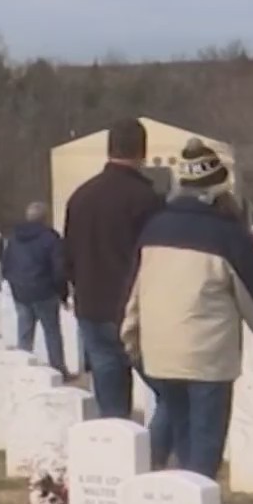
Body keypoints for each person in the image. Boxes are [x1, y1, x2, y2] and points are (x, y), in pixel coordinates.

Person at [121, 143, 253, 478]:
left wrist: (131, 338)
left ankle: (175, 503)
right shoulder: (227, 236)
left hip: (160, 352)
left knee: (181, 432)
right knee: (205, 445)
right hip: (207, 355)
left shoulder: (154, 228)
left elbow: (135, 291)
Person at [64, 119, 164, 419]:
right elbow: (155, 259)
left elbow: (67, 256)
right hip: (133, 309)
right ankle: (159, 453)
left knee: (111, 405)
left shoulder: (80, 197)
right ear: (143, 150)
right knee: (170, 395)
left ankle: (119, 458)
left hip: (92, 307)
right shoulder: (146, 199)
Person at [1, 201, 69, 374]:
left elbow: (6, 263)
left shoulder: (14, 238)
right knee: (52, 332)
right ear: (45, 218)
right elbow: (58, 268)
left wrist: (13, 284)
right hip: (44, 290)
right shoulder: (50, 238)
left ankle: (23, 370)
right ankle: (58, 368)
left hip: (20, 290)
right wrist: (62, 293)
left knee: (24, 331)